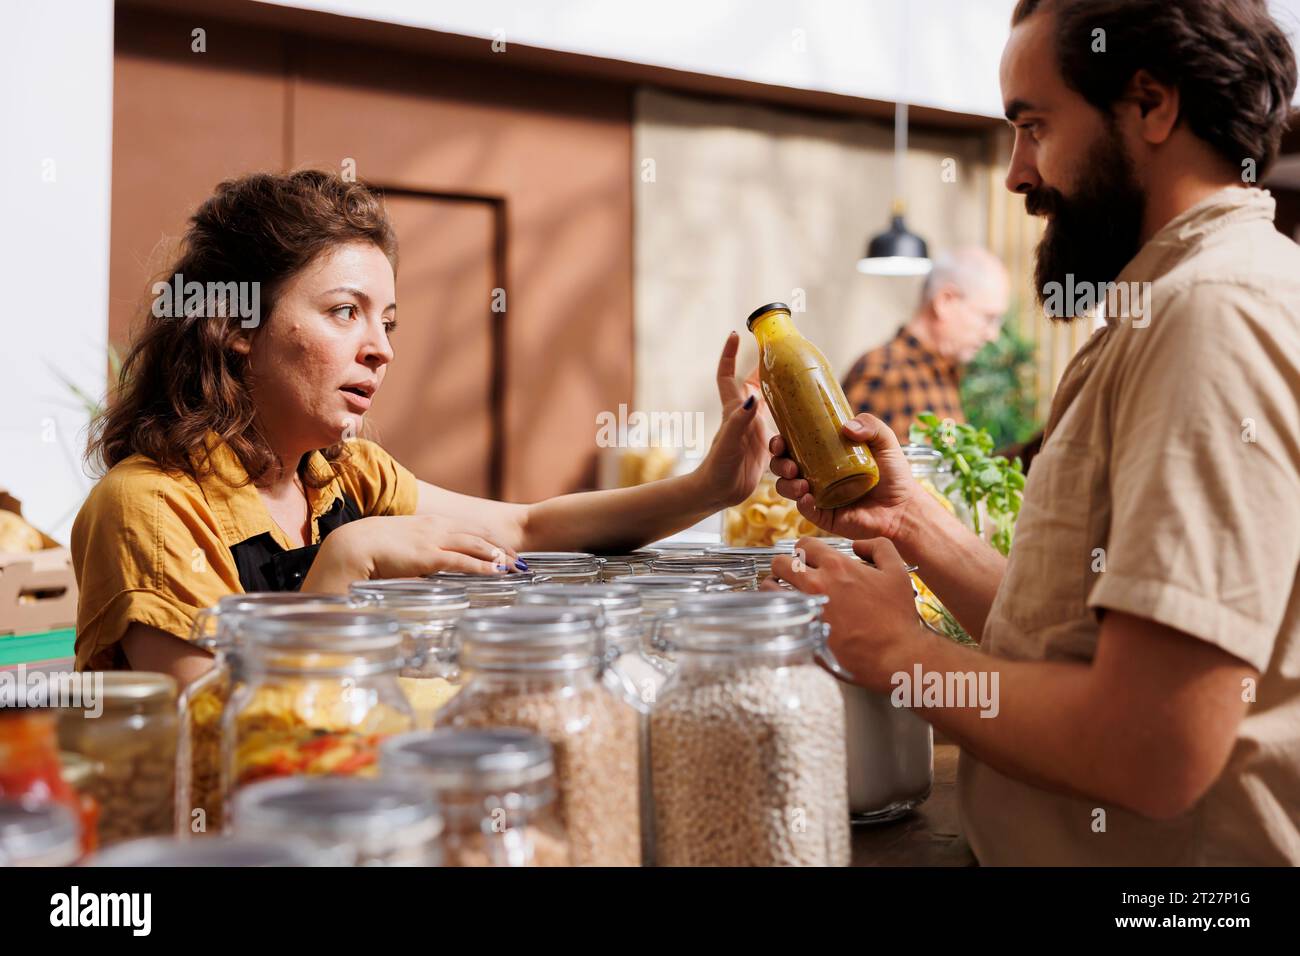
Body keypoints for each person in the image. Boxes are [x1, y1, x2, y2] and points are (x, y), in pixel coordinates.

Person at [768, 0, 1299, 865]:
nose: (1017, 174)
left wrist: (899, 652)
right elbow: (1069, 636)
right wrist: (913, 521)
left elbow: (1153, 748)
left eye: (1035, 126)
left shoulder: (1209, 317)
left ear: (1152, 105)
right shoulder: (1178, 299)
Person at [73, 170, 769, 685]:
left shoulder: (344, 476)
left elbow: (529, 530)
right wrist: (345, 563)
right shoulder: (150, 508)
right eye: (346, 311)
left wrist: (712, 487)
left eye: (388, 321)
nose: (381, 347)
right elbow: (227, 738)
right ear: (236, 327)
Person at [841, 247, 1010, 441]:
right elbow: (841, 464)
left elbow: (950, 461)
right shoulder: (885, 371)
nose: (993, 335)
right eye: (988, 318)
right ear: (945, 301)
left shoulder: (944, 372)